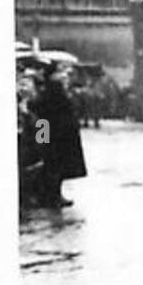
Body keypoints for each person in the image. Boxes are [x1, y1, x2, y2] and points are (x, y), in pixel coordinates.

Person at [33, 62, 87, 208]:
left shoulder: (50, 90)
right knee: (54, 165)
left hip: (51, 132)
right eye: (59, 73)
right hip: (57, 134)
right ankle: (52, 196)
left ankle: (52, 195)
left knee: (51, 164)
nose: (63, 75)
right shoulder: (55, 90)